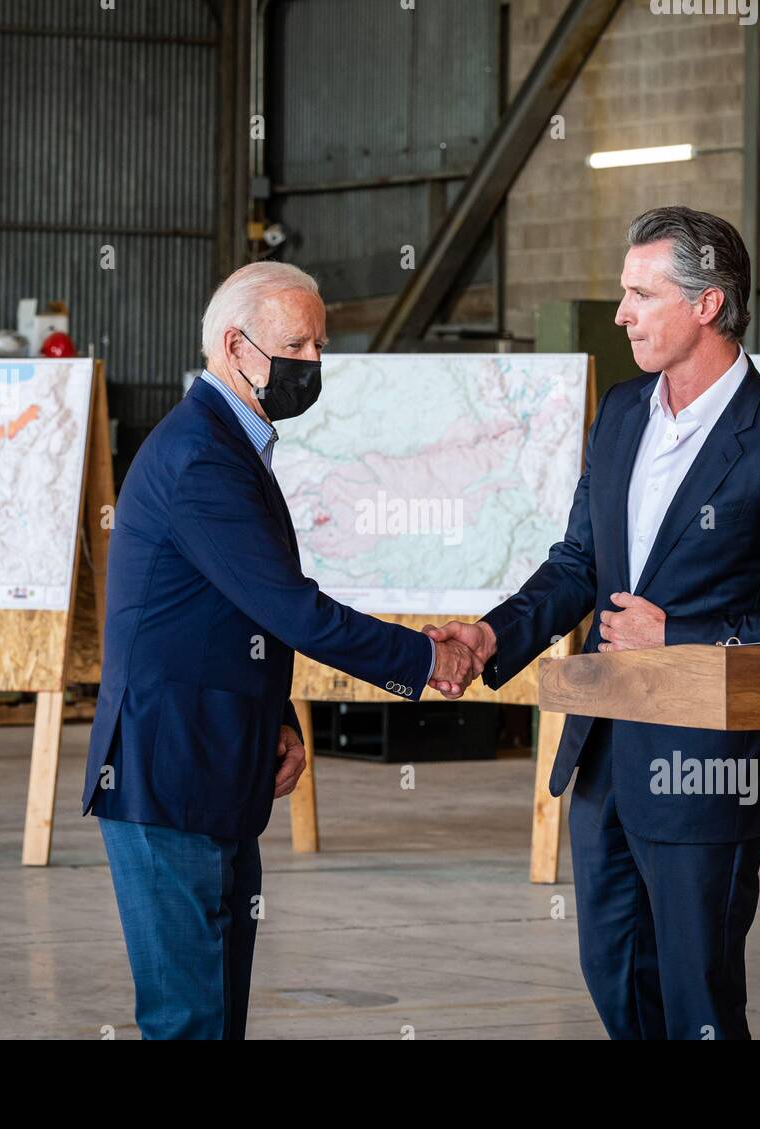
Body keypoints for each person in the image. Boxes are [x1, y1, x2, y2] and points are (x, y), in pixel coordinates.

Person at [426, 206, 760, 1039]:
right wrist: (490, 636)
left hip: (705, 772)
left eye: (640, 295)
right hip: (606, 755)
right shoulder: (621, 411)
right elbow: (579, 564)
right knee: (612, 970)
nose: (620, 314)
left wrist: (680, 633)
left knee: (697, 1000)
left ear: (708, 305)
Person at [82, 261, 480, 1039]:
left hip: (218, 763)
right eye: (297, 344)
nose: (313, 364)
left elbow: (230, 620)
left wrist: (277, 725)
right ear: (236, 347)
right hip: (168, 778)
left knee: (218, 1017)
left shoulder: (231, 445)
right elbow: (291, 609)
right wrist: (427, 659)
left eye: (321, 345)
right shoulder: (202, 456)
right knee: (189, 1022)